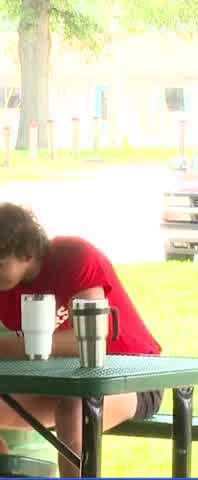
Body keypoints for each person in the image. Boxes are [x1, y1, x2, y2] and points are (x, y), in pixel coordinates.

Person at [0, 203, 163, 477]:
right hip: (61, 383)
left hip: (133, 376)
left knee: (74, 413)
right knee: (71, 405)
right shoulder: (6, 285)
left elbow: (89, 340)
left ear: (27, 253)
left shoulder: (73, 255)